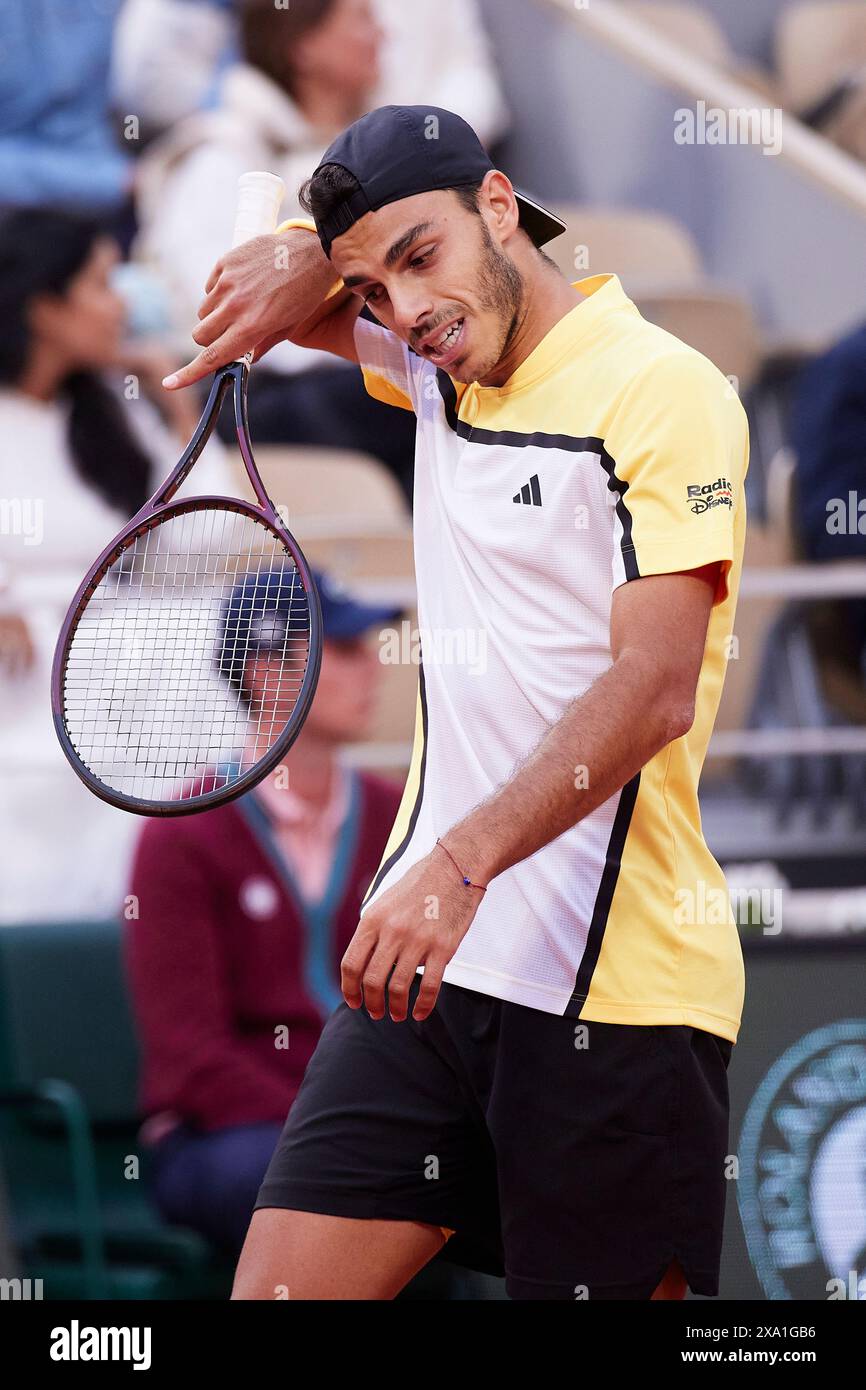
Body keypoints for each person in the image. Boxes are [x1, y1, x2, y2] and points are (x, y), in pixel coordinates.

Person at [165, 105, 749, 1301]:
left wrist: (459, 863)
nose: (401, 309)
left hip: (614, 994)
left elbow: (650, 691)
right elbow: (293, 291)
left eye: (419, 256)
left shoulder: (660, 389)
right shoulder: (431, 358)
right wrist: (304, 246)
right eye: (370, 289)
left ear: (498, 204)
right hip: (424, 978)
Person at [124, 570, 403, 1256]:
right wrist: (340, 1127)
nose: (375, 669)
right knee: (302, 1180)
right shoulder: (181, 835)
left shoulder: (397, 814)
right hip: (228, 1138)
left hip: (370, 1127)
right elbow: (191, 1059)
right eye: (343, 650)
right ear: (267, 673)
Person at [0, 209, 230, 922]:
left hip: (121, 685)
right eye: (102, 284)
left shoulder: (112, 419)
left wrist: (176, 403)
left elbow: (217, 531)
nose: (123, 303)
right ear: (44, 307)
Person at [134, 0, 416, 496]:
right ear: (305, 46)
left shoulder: (379, 153)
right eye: (361, 20)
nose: (383, 36)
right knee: (433, 387)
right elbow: (216, 316)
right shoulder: (219, 157)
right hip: (240, 397)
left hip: (338, 378)